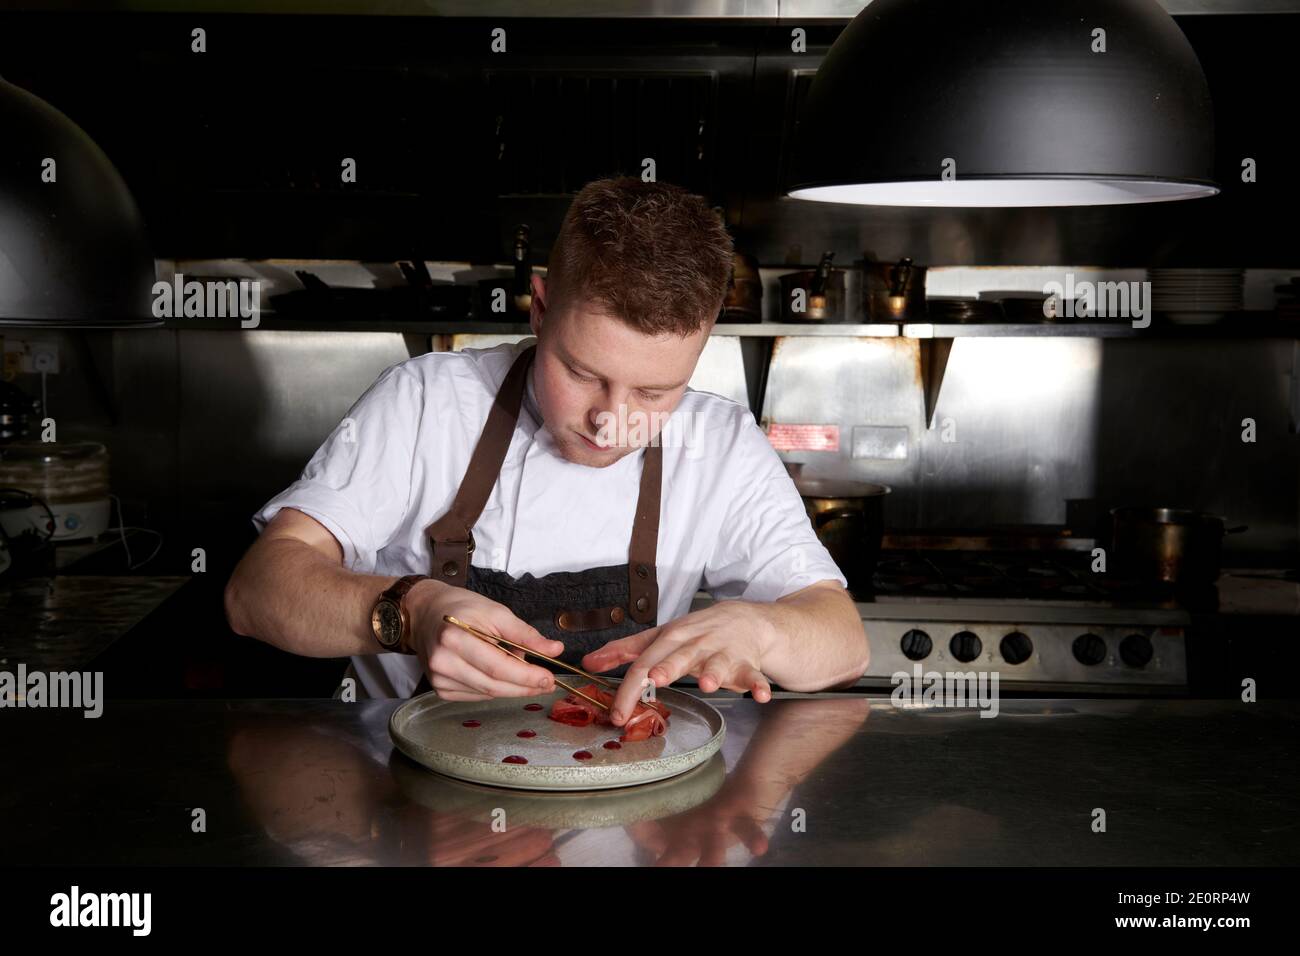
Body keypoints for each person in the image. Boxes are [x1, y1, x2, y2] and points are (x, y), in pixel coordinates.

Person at [224, 176, 868, 728]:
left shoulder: (721, 443)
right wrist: (408, 611)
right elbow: (256, 593)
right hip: (409, 801)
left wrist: (762, 629)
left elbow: (843, 640)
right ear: (539, 309)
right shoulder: (423, 403)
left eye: (653, 390)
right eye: (583, 372)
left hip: (623, 807)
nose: (610, 420)